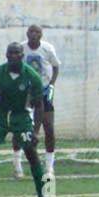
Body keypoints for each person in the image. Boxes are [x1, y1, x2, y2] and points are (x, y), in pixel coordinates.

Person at [0, 42, 48, 197]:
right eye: (10, 53)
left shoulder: (32, 76)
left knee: (31, 152)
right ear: (6, 55)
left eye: (17, 53)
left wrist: (36, 130)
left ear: (22, 56)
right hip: (1, 115)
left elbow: (39, 104)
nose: (13, 56)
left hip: (21, 116)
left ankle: (43, 195)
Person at [18, 25, 61, 178]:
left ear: (41, 35)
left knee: (48, 127)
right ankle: (17, 166)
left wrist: (51, 85)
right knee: (21, 127)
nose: (34, 34)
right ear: (27, 33)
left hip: (43, 91)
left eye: (37, 32)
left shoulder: (48, 48)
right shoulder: (21, 48)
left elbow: (56, 67)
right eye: (31, 31)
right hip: (26, 93)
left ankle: (49, 167)